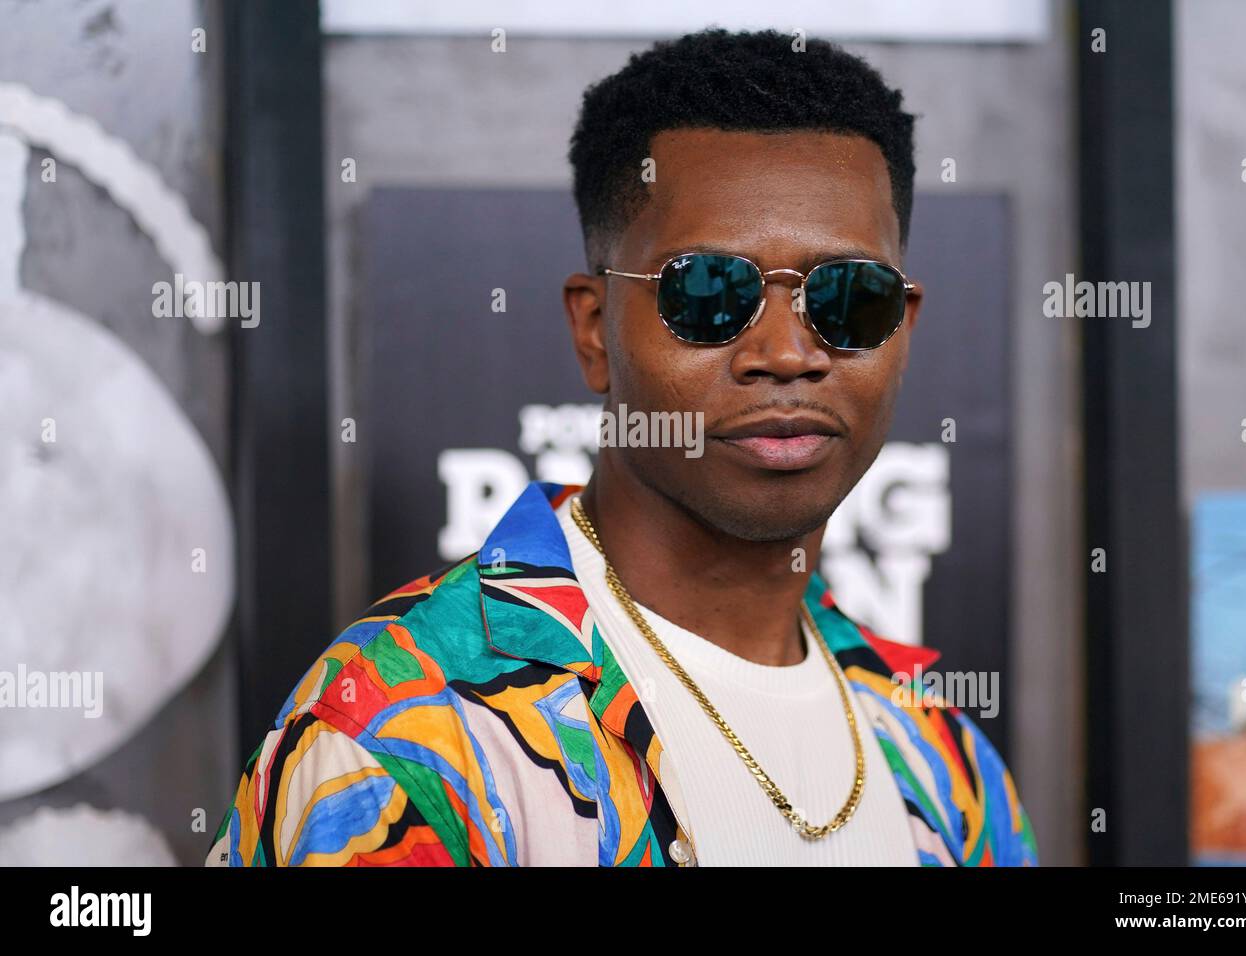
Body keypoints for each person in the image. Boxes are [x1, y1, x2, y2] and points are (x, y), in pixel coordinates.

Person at [207, 27, 1037, 867]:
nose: (788, 354)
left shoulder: (945, 760)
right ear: (595, 328)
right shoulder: (401, 736)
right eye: (709, 293)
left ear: (903, 330)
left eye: (850, 297)